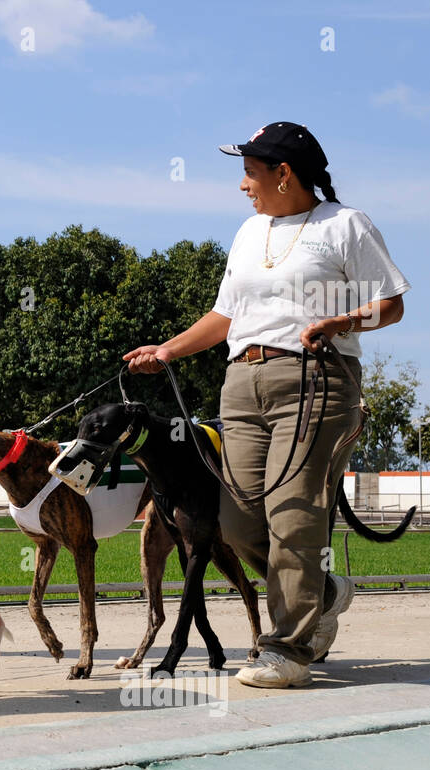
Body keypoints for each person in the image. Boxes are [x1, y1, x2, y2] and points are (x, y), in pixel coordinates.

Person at [123, 122, 409, 688]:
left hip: (315, 377)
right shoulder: (250, 232)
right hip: (241, 381)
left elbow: (391, 305)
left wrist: (345, 321)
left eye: (250, 173)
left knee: (294, 510)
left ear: (284, 173)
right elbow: (225, 316)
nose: (242, 186)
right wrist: (168, 350)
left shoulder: (345, 225)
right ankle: (324, 593)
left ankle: (287, 649)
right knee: (236, 520)